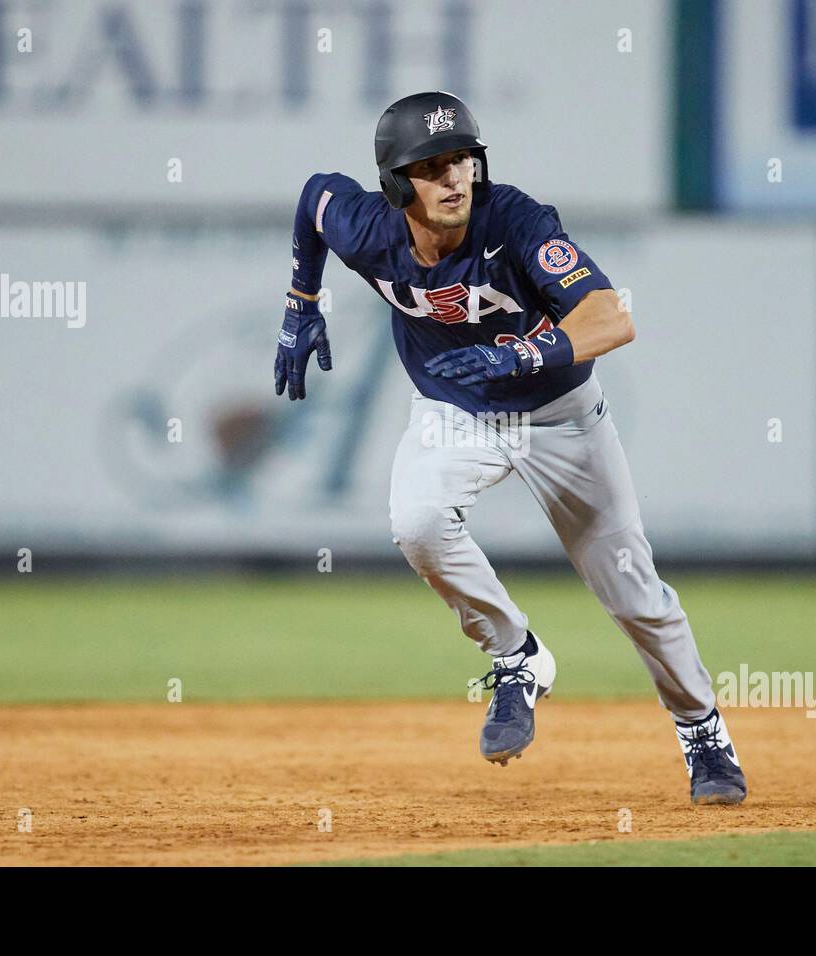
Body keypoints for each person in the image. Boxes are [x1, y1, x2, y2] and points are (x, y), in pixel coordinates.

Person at [274, 91, 746, 804]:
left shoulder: (517, 220)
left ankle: (701, 729)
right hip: (454, 414)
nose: (454, 176)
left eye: (462, 158)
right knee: (417, 521)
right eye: (431, 166)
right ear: (398, 183)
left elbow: (611, 317)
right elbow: (316, 197)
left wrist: (525, 354)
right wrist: (300, 303)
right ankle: (516, 655)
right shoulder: (370, 231)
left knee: (633, 592)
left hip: (562, 417)